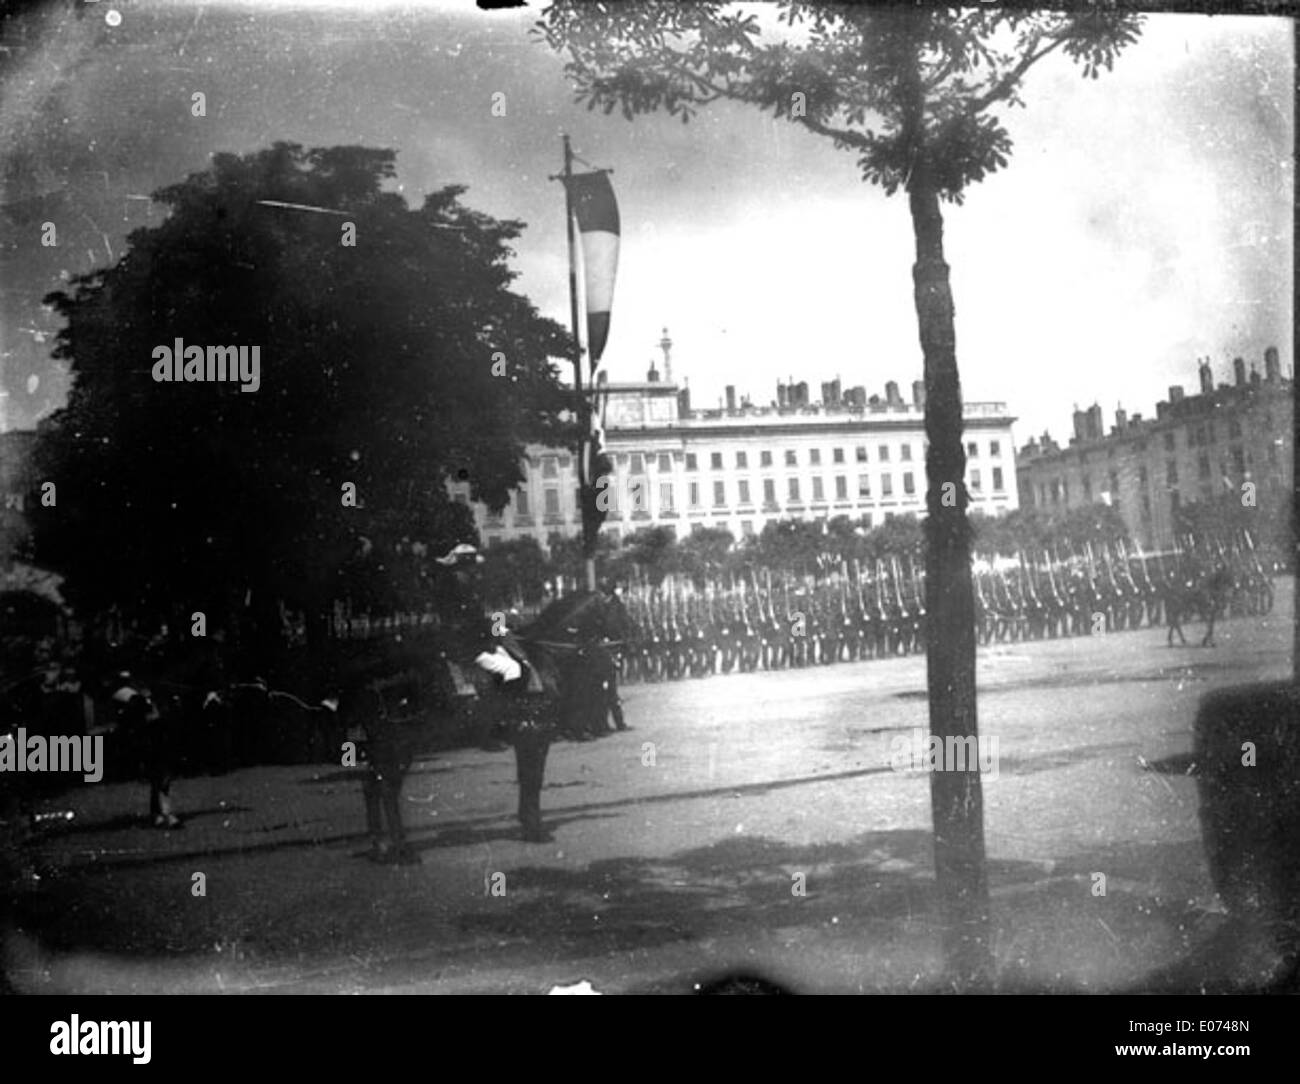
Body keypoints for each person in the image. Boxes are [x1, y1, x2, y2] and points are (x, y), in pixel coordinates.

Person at [436, 543, 555, 842]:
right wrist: (491, 629)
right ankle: (506, 719)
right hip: (466, 648)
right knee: (514, 670)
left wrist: (495, 628)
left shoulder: (457, 586)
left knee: (512, 657)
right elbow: (465, 623)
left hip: (471, 642)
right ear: (461, 566)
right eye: (469, 566)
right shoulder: (457, 588)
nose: (473, 571)